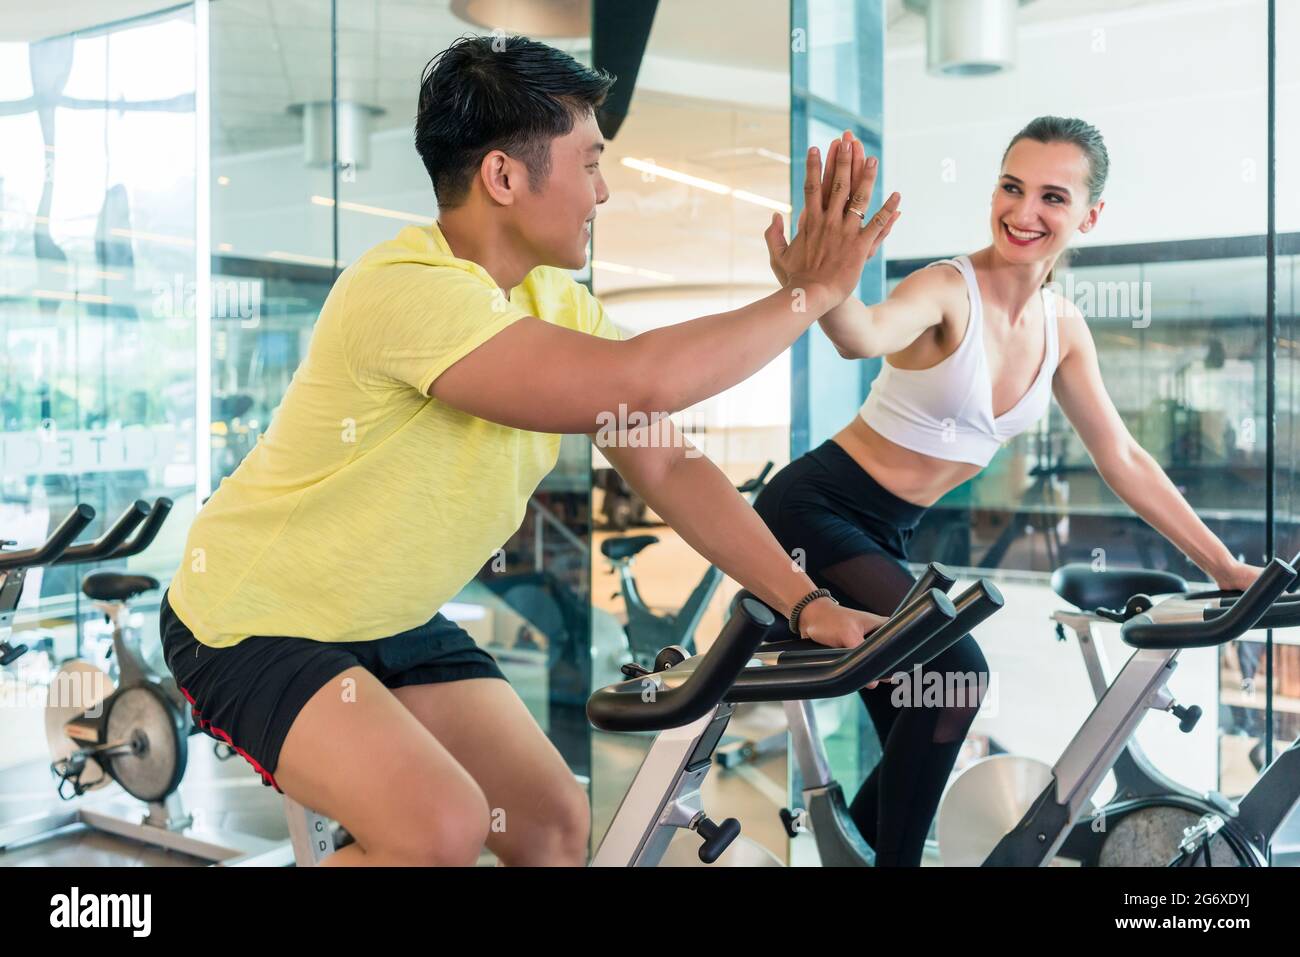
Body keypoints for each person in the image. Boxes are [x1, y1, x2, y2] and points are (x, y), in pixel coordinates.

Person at [159, 35, 900, 866]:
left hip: (390, 619)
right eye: (589, 163)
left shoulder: (553, 300)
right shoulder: (405, 289)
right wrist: (810, 295)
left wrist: (806, 603)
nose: (603, 190)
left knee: (550, 824)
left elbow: (666, 459)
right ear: (505, 177)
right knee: (440, 828)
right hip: (253, 620)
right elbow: (640, 380)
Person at [757, 115, 1262, 867]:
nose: (1024, 212)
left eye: (1052, 197)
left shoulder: (1063, 329)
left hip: (886, 533)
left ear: (1089, 217)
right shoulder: (945, 289)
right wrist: (821, 286)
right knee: (957, 675)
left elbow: (1122, 457)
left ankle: (857, 856)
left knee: (920, 711)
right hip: (813, 510)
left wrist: (1225, 567)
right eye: (1011, 186)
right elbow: (859, 332)